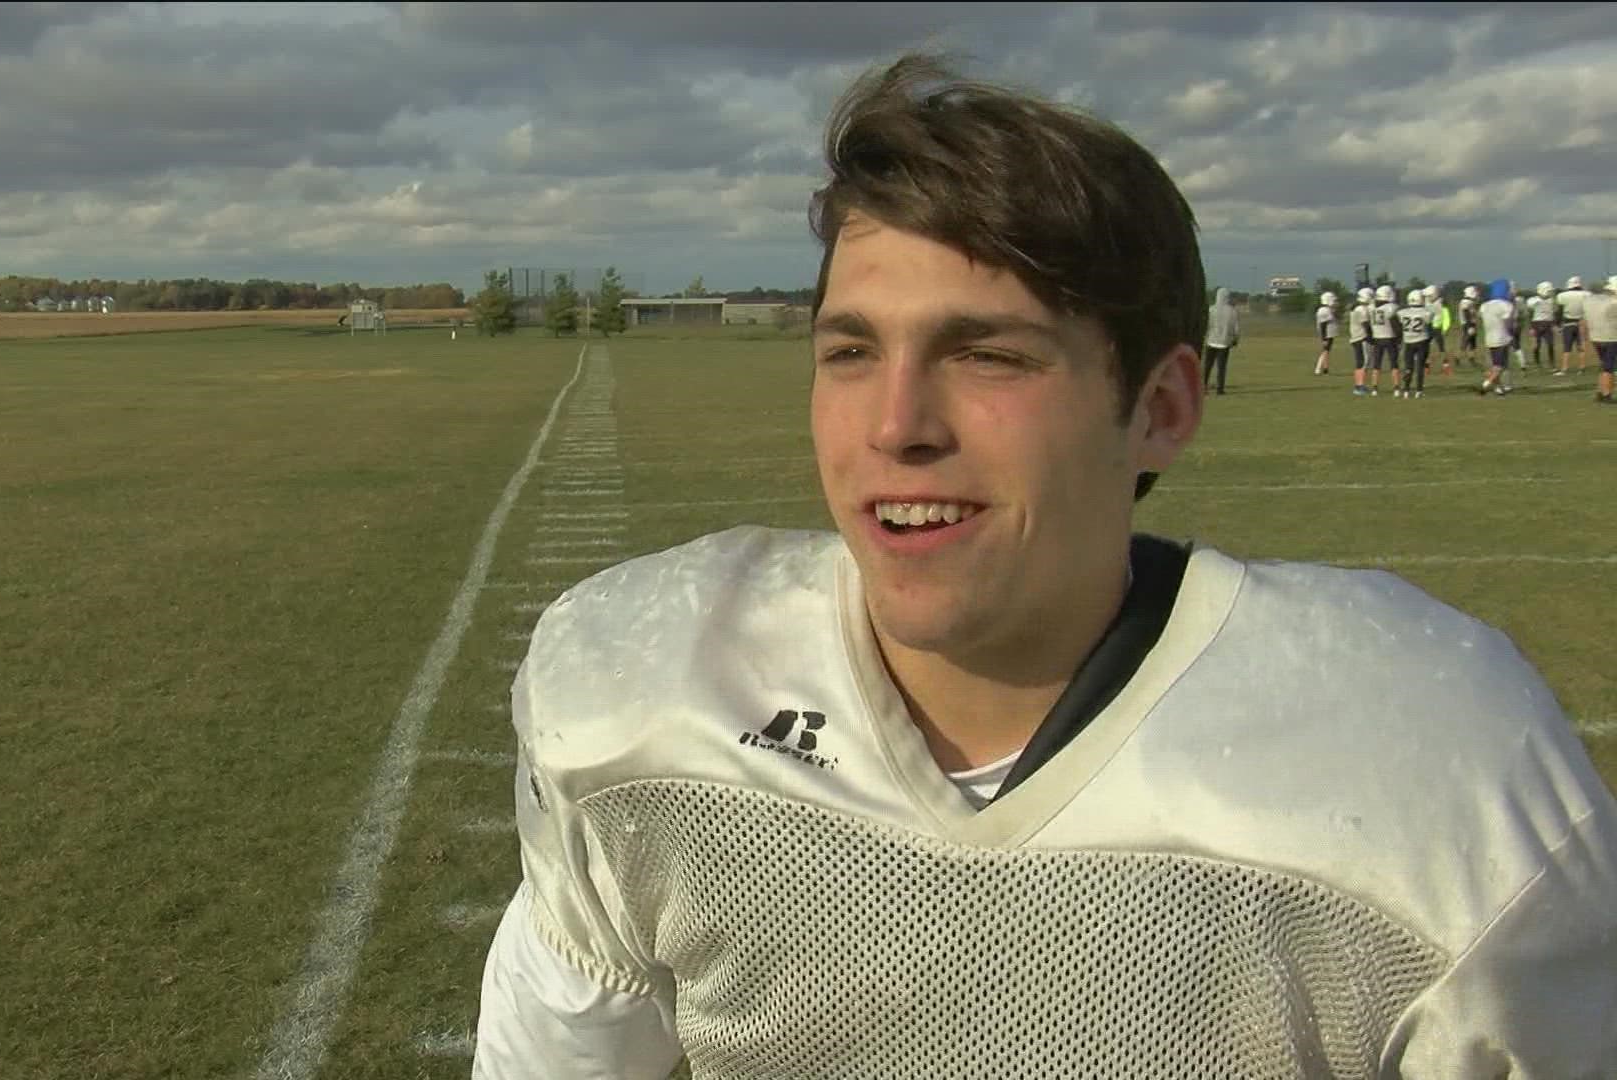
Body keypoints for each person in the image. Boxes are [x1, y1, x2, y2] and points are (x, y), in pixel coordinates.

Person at [473, 54, 1617, 1079]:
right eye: (852, 351)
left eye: (988, 354)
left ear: (1161, 409)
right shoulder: (649, 696)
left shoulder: (1429, 766)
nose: (895, 424)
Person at [1477, 278, 1518, 395]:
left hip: (1488, 338)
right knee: (1500, 366)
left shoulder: (1484, 306)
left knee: (1495, 365)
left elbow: (1481, 318)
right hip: (1502, 338)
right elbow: (1508, 322)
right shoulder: (1506, 305)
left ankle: (1498, 388)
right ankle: (1486, 384)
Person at [1203, 287, 1239, 394]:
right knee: (1221, 367)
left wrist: (1206, 336)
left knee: (1207, 366)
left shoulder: (1211, 309)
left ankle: (1203, 387)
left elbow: (1207, 325)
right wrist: (1235, 339)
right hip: (1224, 343)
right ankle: (1220, 389)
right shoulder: (1232, 311)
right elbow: (1236, 328)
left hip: (1211, 341)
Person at [1588, 275, 1617, 405]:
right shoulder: (1613, 303)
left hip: (1596, 337)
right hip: (1610, 337)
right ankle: (1607, 394)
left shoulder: (1594, 302)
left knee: (1604, 365)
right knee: (1609, 367)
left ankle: (1600, 391)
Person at [1398, 288, 1432, 398]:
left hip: (1408, 341)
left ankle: (1406, 390)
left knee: (1408, 367)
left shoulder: (1402, 313)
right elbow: (1430, 327)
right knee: (1420, 367)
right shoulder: (1426, 313)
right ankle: (1419, 390)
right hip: (1422, 341)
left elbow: (1396, 320)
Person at [1369, 283, 1401, 394]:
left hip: (1377, 337)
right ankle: (1396, 387)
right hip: (1390, 337)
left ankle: (1374, 388)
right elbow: (1395, 324)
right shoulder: (1391, 308)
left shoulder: (1372, 308)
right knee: (1394, 363)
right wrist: (1399, 339)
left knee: (1376, 364)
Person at [1557, 274, 1590, 374]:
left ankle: (1564, 368)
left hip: (1568, 323)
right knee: (1581, 347)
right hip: (1581, 322)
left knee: (1567, 347)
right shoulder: (1586, 294)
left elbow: (1559, 311)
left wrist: (1558, 324)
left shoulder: (1562, 296)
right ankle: (1582, 368)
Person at [1349, 285, 1375, 395]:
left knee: (1360, 362)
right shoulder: (1362, 309)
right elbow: (1366, 325)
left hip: (1356, 337)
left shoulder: (1357, 308)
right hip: (1361, 337)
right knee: (1364, 362)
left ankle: (1359, 385)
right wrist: (1372, 339)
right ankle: (1359, 386)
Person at [1529, 281, 1558, 373]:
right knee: (1536, 345)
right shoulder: (1534, 300)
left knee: (1550, 344)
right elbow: (1530, 314)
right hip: (1537, 323)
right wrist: (1531, 327)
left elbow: (1553, 313)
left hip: (1548, 324)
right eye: (1549, 291)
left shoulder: (1551, 300)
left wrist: (1554, 324)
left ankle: (1552, 363)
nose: (1550, 292)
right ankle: (1537, 363)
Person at [1314, 290, 1337, 375]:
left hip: (1329, 333)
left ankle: (1325, 368)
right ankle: (1319, 368)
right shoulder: (1324, 311)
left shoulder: (1327, 310)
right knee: (1325, 351)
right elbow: (1323, 325)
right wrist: (1324, 338)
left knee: (1326, 351)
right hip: (1327, 334)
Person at [1458, 284, 1481, 367]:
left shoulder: (1469, 301)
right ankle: (1458, 358)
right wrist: (1470, 326)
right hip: (1468, 324)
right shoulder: (1465, 302)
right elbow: (1466, 312)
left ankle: (1472, 359)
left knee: (1472, 343)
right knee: (1466, 341)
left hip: (1471, 323)